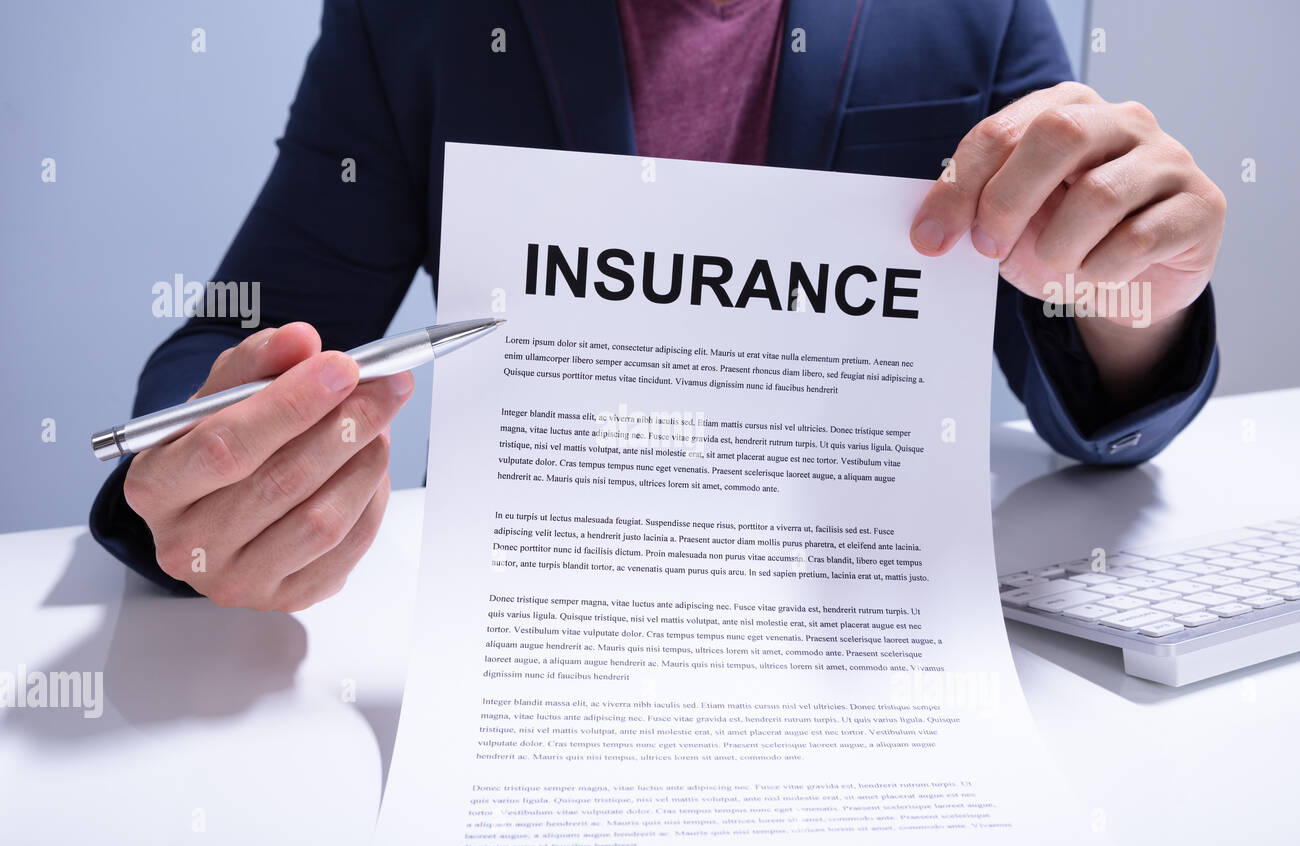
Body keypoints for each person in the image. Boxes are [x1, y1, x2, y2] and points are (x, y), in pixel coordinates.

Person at [90, 0, 1225, 612]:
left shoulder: (975, 13)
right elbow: (233, 337)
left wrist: (1135, 294)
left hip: (867, 617)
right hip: (550, 631)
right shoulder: (411, 20)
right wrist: (219, 472)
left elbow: (1085, 401)